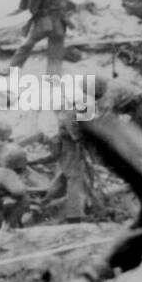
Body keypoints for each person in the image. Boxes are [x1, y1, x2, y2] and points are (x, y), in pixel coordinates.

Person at [45, 76, 108, 221]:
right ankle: (75, 215)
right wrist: (78, 138)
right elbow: (69, 120)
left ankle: (48, 201)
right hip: (71, 143)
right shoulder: (85, 102)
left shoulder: (84, 101)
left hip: (67, 142)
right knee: (76, 177)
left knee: (65, 172)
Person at [8, 0, 68, 75]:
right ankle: (53, 77)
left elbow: (30, 9)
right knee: (56, 51)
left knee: (27, 45)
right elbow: (63, 6)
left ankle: (13, 69)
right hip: (58, 24)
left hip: (43, 23)